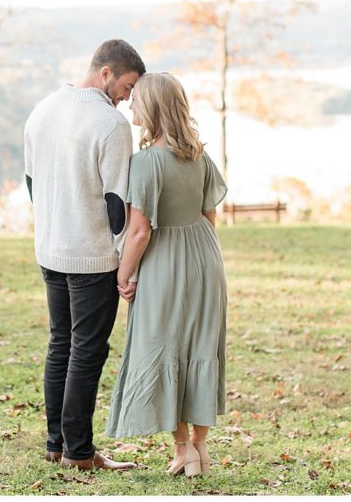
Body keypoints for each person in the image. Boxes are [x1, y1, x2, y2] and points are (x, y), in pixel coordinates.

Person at [23, 39, 146, 471]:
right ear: (106, 72)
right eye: (127, 87)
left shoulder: (42, 110)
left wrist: (53, 228)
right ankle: (78, 452)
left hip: (50, 249)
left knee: (61, 344)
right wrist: (125, 265)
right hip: (92, 257)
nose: (127, 98)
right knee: (87, 351)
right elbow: (117, 205)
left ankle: (57, 444)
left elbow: (32, 184)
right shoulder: (110, 124)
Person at [104, 72, 228, 478]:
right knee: (201, 347)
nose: (131, 105)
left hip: (165, 263)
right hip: (206, 257)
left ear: (153, 108)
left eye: (137, 99)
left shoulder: (145, 164)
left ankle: (181, 449)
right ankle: (200, 449)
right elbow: (210, 216)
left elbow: (140, 231)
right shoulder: (200, 157)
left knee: (165, 348)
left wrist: (123, 276)